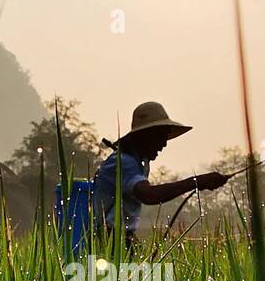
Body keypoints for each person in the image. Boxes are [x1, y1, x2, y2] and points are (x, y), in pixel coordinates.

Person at [93, 101, 229, 242]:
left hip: (119, 239)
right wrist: (197, 182)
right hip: (106, 239)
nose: (164, 144)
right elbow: (149, 195)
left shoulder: (135, 164)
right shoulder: (123, 162)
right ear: (145, 136)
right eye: (161, 137)